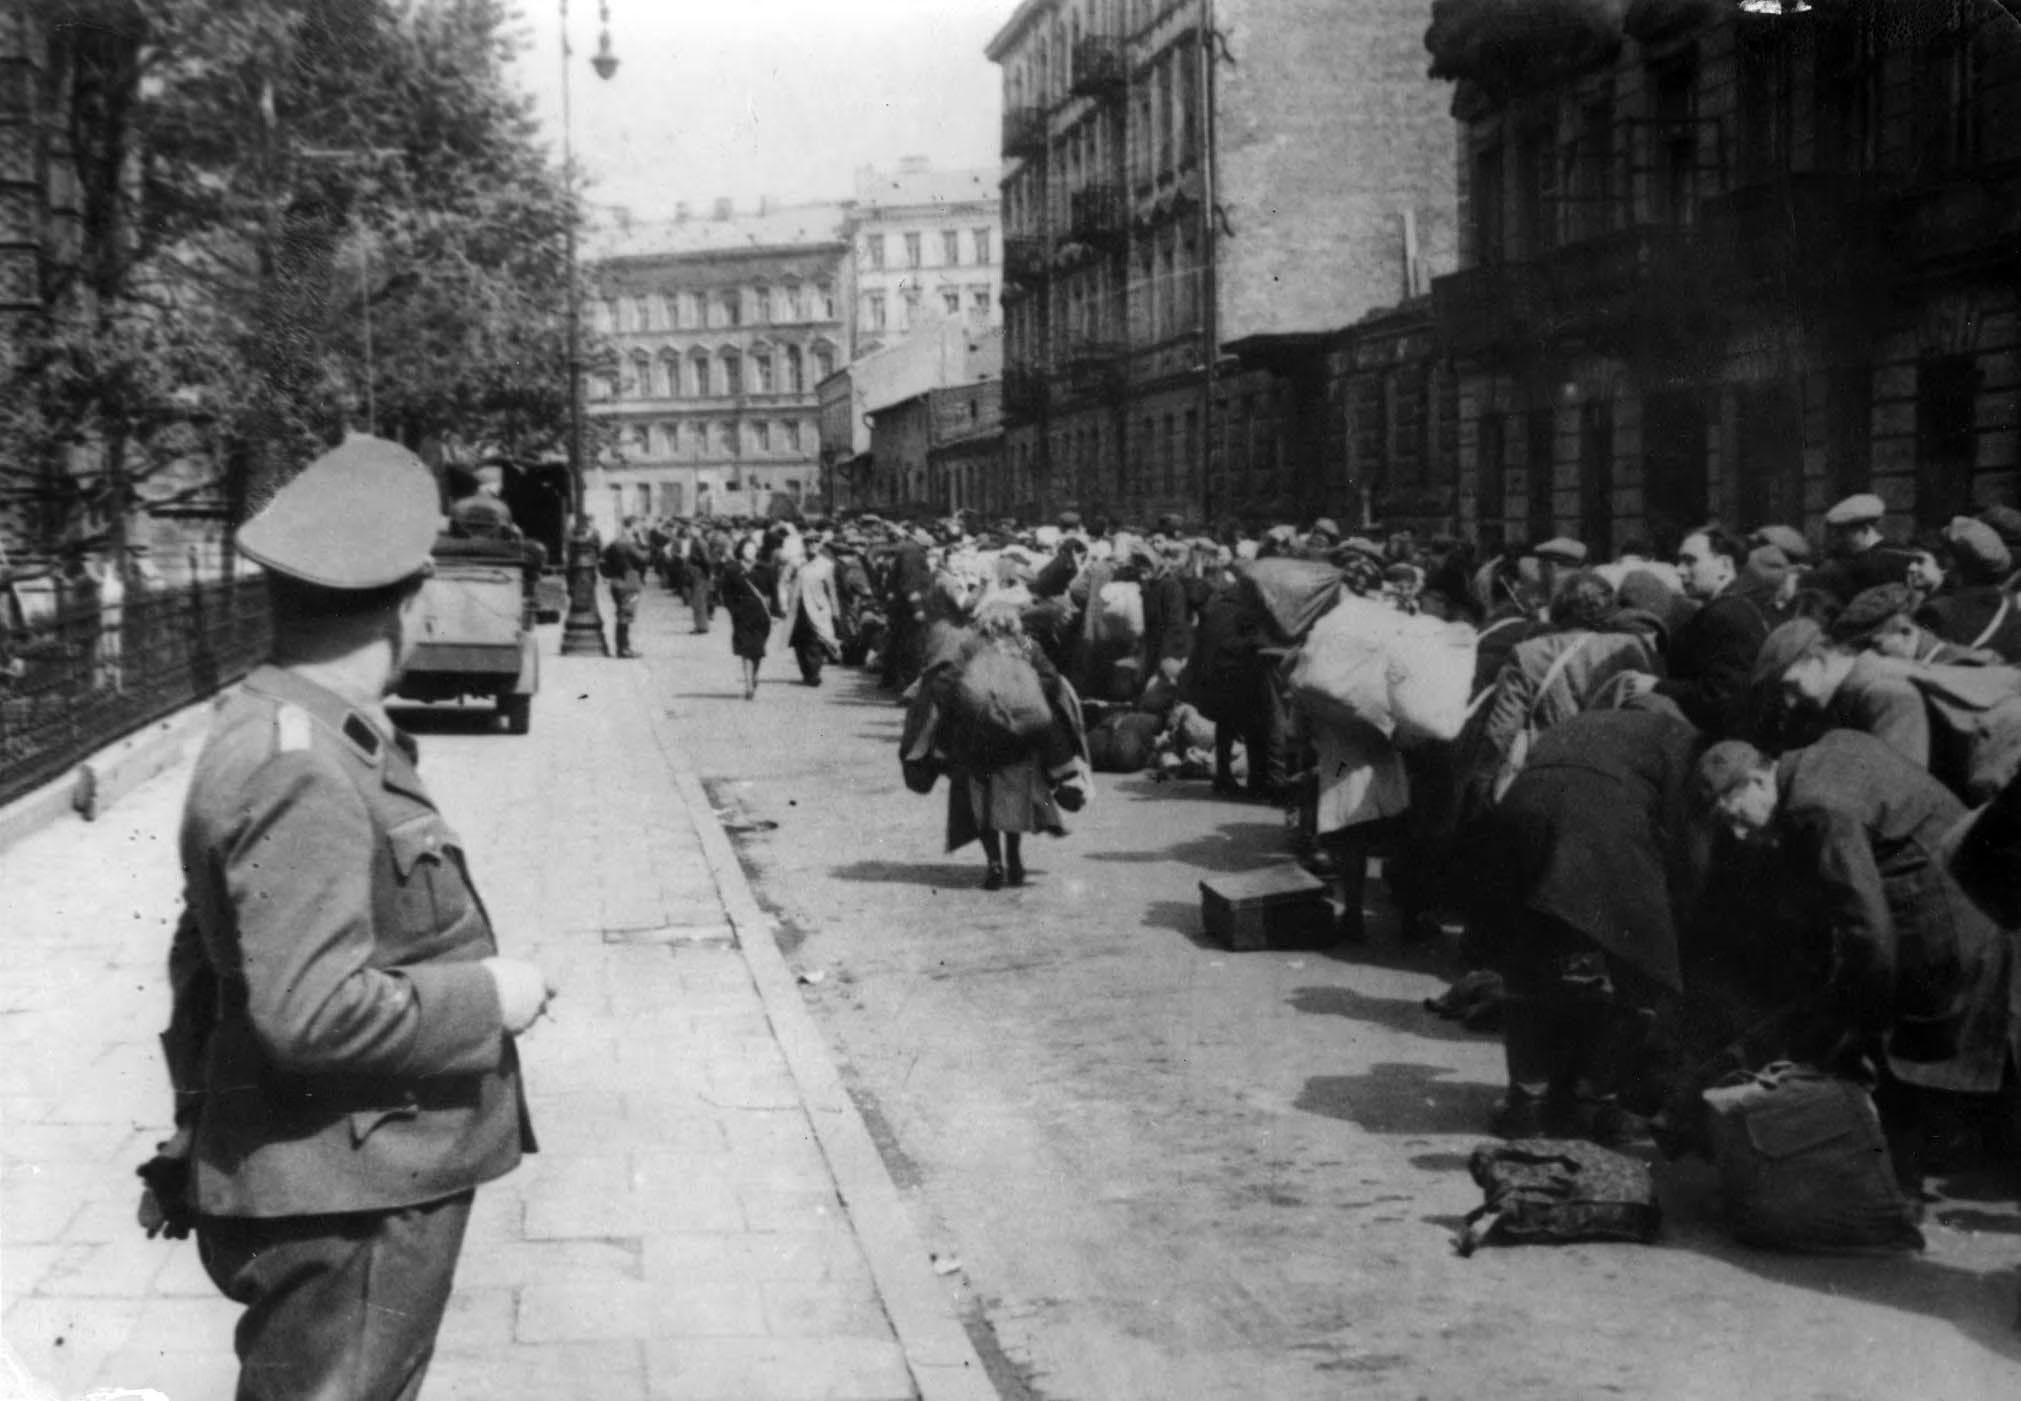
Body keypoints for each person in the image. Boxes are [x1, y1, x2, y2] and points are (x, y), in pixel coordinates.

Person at [141, 434, 549, 1401]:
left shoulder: (280, 726)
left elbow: (199, 957)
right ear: (411, 601)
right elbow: (309, 1010)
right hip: (347, 1195)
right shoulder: (305, 765)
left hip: (330, 1175)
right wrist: (489, 996)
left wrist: (197, 1122)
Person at [1698, 733, 2012, 1188]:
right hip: (1969, 897)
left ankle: (1901, 1189)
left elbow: (1869, 931)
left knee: (1899, 1057)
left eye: (1735, 817)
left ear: (1757, 781)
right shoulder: (1825, 751)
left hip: (1944, 919)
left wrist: (1850, 1024)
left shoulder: (1816, 807)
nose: (1741, 834)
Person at [1481, 708, 1708, 1142]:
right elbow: (1684, 839)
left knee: (1527, 968)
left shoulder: (1586, 719)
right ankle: (1599, 1104)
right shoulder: (1681, 735)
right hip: (1600, 826)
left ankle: (1526, 1104)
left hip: (1521, 814)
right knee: (1638, 973)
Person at [902, 604, 1089, 890]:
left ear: (985, 623)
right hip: (1020, 741)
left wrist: (966, 711)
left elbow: (945, 684)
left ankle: (994, 863)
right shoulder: (1027, 644)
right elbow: (1051, 680)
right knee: (1014, 797)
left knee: (982, 800)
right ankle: (1014, 858)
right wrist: (1025, 698)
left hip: (979, 739)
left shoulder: (972, 645)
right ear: (1014, 623)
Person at [1809, 492, 1916, 601]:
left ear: (1864, 530)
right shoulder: (1901, 552)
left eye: (1843, 534)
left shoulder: (1862, 565)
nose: (1840, 541)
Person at [778, 532, 842, 686]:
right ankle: (808, 672)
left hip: (819, 608)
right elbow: (783, 582)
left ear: (820, 545)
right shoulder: (795, 562)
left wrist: (835, 610)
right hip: (799, 608)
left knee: (818, 640)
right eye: (809, 543)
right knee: (801, 641)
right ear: (804, 545)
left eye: (816, 542)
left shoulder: (827, 565)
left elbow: (831, 589)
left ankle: (814, 673)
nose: (812, 545)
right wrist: (784, 604)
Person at [719, 534, 773, 700]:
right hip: (742, 614)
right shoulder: (731, 570)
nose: (750, 552)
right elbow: (726, 594)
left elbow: (773, 592)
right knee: (746, 650)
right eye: (746, 549)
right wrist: (733, 610)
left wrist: (776, 612)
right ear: (740, 551)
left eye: (753, 549)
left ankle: (754, 675)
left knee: (758, 650)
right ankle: (749, 684)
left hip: (762, 614)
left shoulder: (765, 568)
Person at [601, 516, 651, 658]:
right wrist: (644, 544)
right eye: (638, 526)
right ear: (633, 526)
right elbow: (644, 559)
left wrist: (608, 575)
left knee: (621, 614)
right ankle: (624, 649)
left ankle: (622, 647)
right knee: (626, 615)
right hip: (630, 579)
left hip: (616, 580)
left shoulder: (614, 543)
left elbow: (603, 561)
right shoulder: (629, 544)